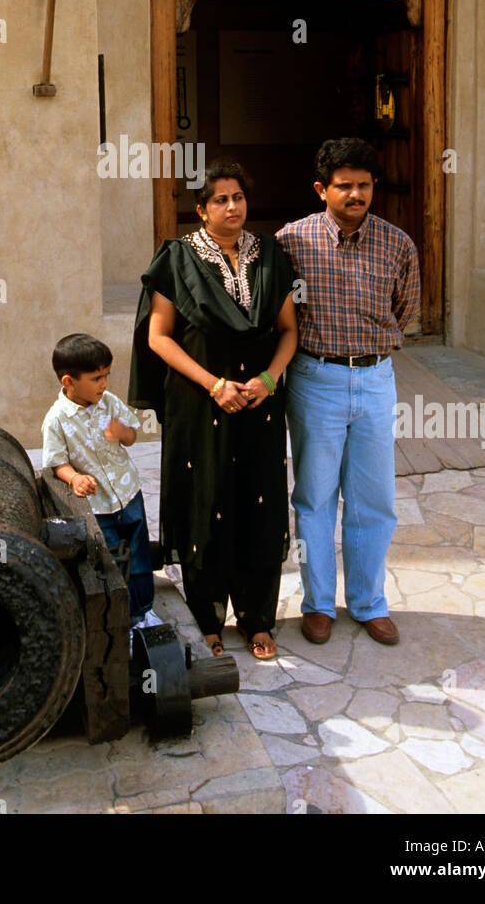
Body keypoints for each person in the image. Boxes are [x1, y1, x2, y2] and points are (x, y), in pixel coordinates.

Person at [130, 160, 298, 660]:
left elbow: (289, 329)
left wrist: (269, 378)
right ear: (201, 210)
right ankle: (208, 618)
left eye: (238, 197)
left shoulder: (269, 255)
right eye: (220, 200)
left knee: (257, 504)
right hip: (200, 402)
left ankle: (257, 619)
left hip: (259, 404)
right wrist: (213, 384)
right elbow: (158, 338)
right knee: (206, 502)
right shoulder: (177, 260)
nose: (232, 207)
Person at [277, 137, 421, 647]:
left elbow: (404, 314)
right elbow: (278, 316)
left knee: (373, 499)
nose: (355, 194)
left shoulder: (399, 245)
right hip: (316, 379)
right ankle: (318, 604)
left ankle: (368, 602)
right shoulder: (291, 242)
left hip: (377, 378)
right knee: (315, 497)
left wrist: (370, 355)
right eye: (344, 186)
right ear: (322, 189)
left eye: (363, 185)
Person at [41, 332, 161, 631]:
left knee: (139, 554)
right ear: (68, 381)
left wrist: (123, 433)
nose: (104, 384)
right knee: (111, 562)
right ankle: (120, 619)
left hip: (127, 493)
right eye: (96, 378)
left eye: (106, 375)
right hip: (98, 507)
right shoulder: (57, 419)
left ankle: (144, 611)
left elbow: (132, 436)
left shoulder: (109, 403)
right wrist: (75, 478)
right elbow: (56, 463)